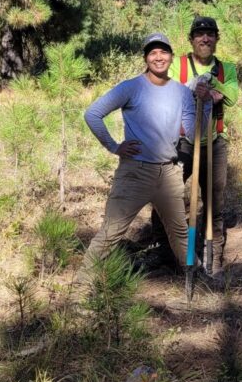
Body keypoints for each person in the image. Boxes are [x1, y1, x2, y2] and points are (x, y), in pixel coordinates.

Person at [83, 33, 195, 275]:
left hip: (169, 172)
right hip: (135, 172)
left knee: (180, 233)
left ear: (171, 57)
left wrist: (204, 104)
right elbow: (92, 114)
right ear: (146, 58)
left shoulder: (182, 93)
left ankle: (195, 279)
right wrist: (113, 146)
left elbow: (193, 133)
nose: (158, 57)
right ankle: (82, 288)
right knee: (111, 232)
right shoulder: (131, 87)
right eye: (153, 53)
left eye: (163, 52)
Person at [152, 15, 239, 269]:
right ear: (191, 39)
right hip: (179, 142)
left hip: (214, 141)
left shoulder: (226, 69)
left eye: (210, 34)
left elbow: (231, 96)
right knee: (165, 195)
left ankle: (212, 256)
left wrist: (212, 85)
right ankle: (165, 254)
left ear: (216, 39)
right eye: (199, 34)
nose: (205, 38)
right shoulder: (177, 65)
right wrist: (190, 87)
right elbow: (161, 90)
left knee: (215, 201)